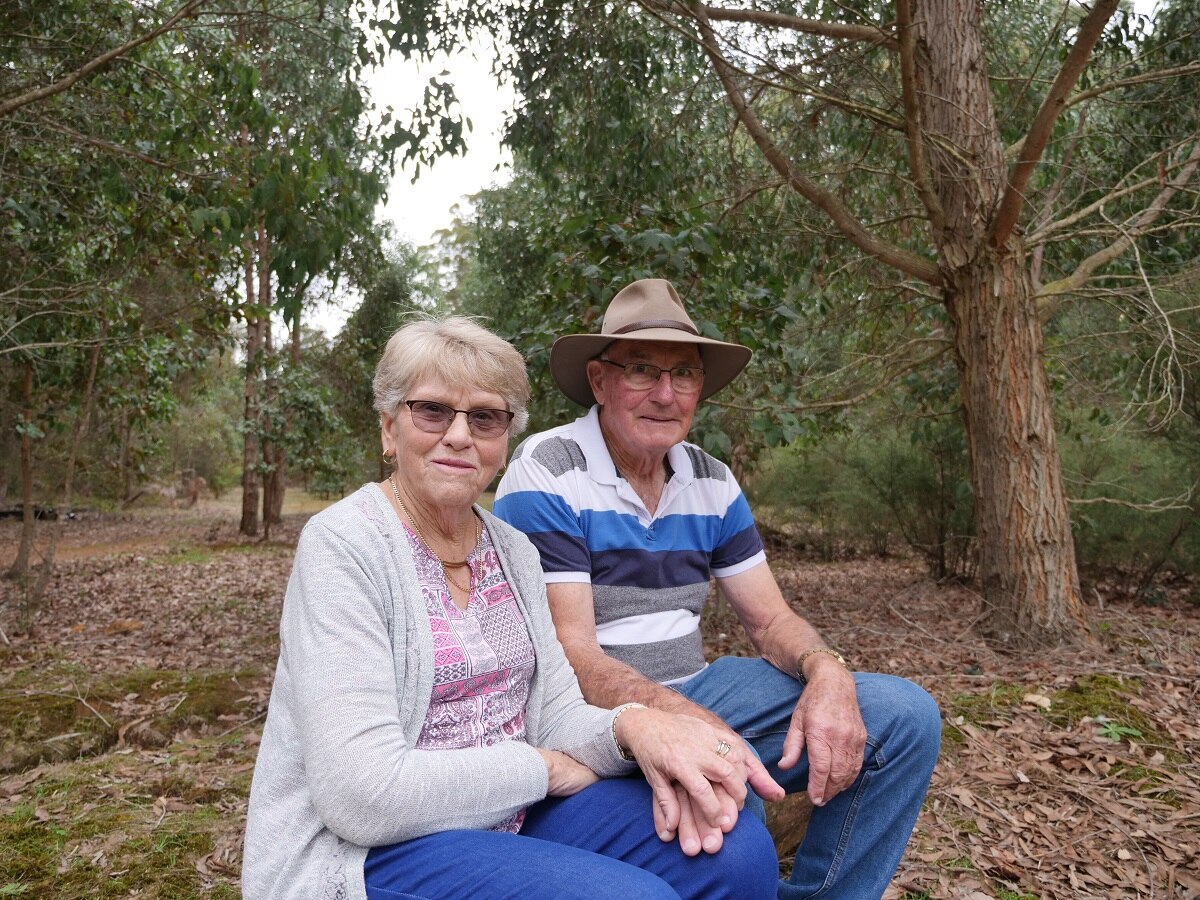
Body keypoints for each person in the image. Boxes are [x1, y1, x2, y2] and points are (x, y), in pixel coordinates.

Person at [242, 315, 782, 900]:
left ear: (504, 438)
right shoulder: (345, 545)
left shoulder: (513, 550)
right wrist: (543, 768)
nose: (458, 435)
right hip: (371, 850)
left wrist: (633, 727)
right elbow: (362, 795)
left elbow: (554, 712)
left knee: (740, 858)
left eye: (485, 417)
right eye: (431, 411)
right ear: (388, 429)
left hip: (515, 814)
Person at [493, 279, 942, 899]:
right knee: (733, 823)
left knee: (905, 717)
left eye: (684, 375)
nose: (665, 393)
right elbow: (573, 656)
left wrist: (828, 672)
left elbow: (769, 621)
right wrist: (699, 729)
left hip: (701, 690)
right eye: (642, 370)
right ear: (599, 381)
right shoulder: (548, 471)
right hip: (599, 716)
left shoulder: (710, 477)